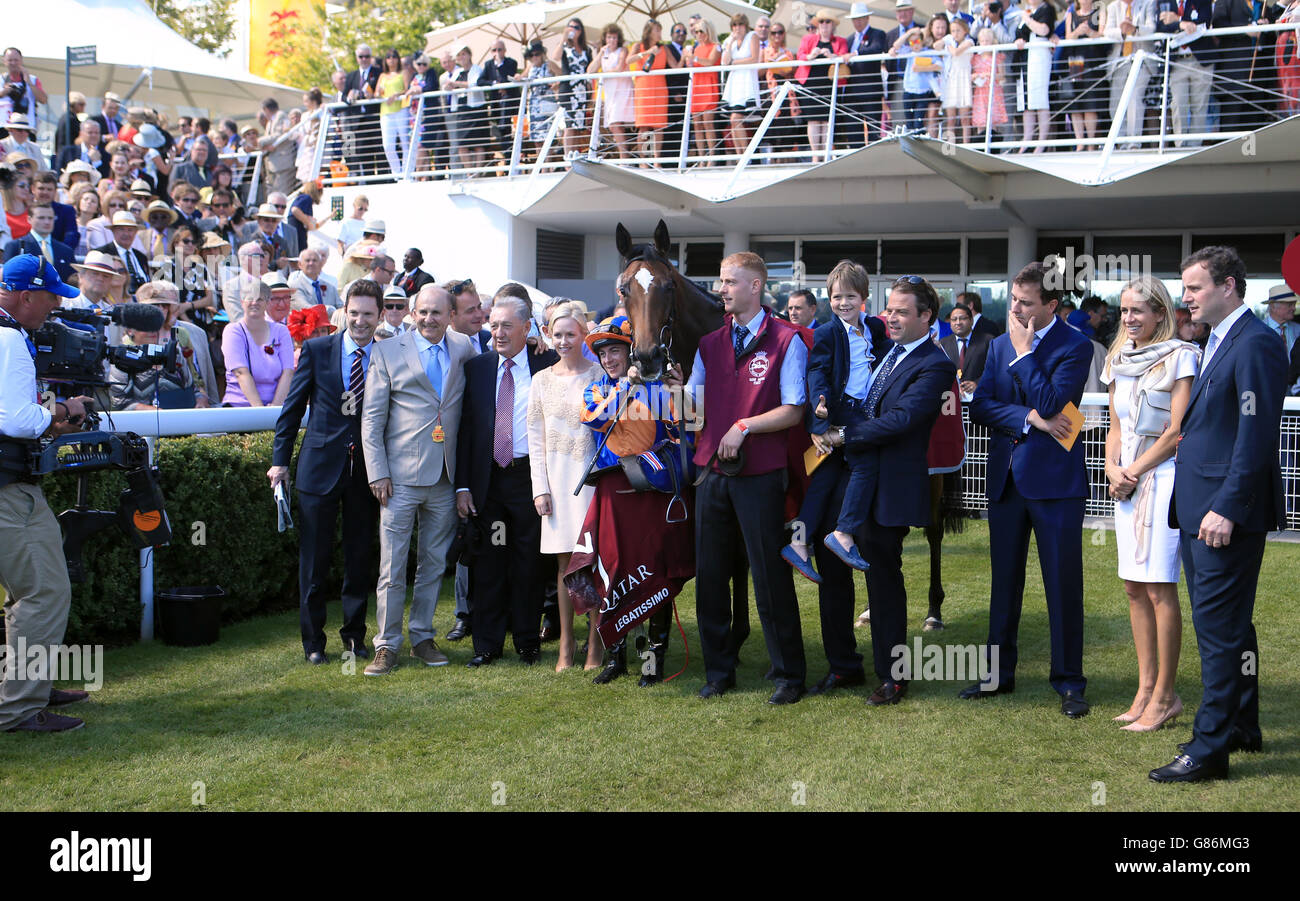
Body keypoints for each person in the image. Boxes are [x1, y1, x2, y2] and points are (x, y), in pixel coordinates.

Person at [1149, 247, 1287, 783]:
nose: (1185, 298)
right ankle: (1241, 725)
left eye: (1194, 288)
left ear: (1229, 287)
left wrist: (1226, 508)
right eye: (1184, 288)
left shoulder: (1254, 343)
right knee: (1233, 627)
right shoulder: (1220, 340)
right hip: (1203, 508)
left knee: (1219, 632)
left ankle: (1208, 749)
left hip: (1221, 513)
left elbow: (1256, 437)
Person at [816, 275, 956, 705]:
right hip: (854, 475)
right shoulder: (886, 349)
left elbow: (903, 419)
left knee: (883, 580)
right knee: (832, 573)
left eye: (900, 311)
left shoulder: (936, 363)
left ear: (925, 316)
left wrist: (844, 436)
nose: (890, 317)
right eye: (889, 309)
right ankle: (843, 666)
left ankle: (893, 677)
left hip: (892, 486)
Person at [964, 261, 1094, 717]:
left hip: (1056, 482)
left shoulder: (1076, 346)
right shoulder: (998, 345)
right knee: (1004, 582)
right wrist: (1027, 420)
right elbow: (980, 405)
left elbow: (1053, 402)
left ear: (1051, 305)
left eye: (1025, 302)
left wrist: (1024, 357)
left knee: (1062, 583)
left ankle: (1069, 682)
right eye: (1013, 299)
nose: (1015, 309)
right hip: (1006, 479)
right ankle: (998, 676)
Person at [681, 251, 809, 704]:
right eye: (720, 281)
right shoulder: (709, 344)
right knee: (711, 574)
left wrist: (744, 425)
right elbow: (689, 409)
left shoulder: (787, 340)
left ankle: (789, 674)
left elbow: (793, 410)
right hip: (711, 473)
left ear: (756, 286)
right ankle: (719, 671)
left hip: (761, 475)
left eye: (731, 282)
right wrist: (663, 387)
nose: (722, 289)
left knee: (769, 576)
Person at [571, 316, 695, 685]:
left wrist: (679, 391)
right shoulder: (595, 390)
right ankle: (616, 658)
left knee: (654, 569)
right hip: (612, 491)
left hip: (651, 491)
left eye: (615, 351)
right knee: (612, 570)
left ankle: (652, 660)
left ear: (631, 353)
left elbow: (693, 423)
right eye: (603, 353)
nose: (609, 359)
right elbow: (594, 416)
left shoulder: (658, 391)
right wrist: (626, 387)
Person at [360, 284, 475, 674]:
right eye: (422, 312)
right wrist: (377, 471)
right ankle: (387, 645)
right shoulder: (387, 351)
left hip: (445, 478)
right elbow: (372, 419)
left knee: (432, 563)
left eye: (437, 313)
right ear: (412, 311)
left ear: (450, 316)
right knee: (392, 566)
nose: (429, 319)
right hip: (399, 480)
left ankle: (422, 637)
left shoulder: (463, 349)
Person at [1101, 276, 1199, 733]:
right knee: (1132, 587)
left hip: (1162, 479)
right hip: (1125, 482)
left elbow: (1176, 431)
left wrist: (1133, 471)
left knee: (1159, 587)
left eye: (1138, 310)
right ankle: (1143, 690)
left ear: (1160, 313)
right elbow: (1115, 425)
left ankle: (1165, 696)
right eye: (1124, 311)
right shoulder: (1118, 359)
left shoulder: (1181, 356)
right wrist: (1110, 467)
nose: (1129, 318)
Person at [0, 255, 92, 733]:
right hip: (7, 490)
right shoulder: (10, 336)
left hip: (14, 487)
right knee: (42, 591)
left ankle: (31, 684)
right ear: (26, 295)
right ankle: (18, 708)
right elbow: (17, 419)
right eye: (51, 295)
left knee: (34, 591)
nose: (56, 305)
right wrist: (61, 411)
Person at [271, 276, 380, 666]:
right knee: (313, 562)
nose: (360, 321)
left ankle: (354, 638)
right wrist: (279, 461)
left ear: (379, 315)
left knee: (358, 559)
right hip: (318, 469)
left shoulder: (386, 355)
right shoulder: (317, 350)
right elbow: (292, 408)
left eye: (368, 314)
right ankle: (312, 642)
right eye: (354, 313)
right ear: (344, 312)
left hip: (367, 473)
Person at [455, 295, 559, 667]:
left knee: (528, 564)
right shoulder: (478, 368)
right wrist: (463, 486)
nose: (497, 333)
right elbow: (466, 431)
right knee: (490, 563)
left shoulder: (548, 363)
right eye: (493, 325)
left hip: (528, 481)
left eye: (506, 326)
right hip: (489, 485)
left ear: (527, 329)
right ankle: (486, 645)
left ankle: (528, 642)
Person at [783, 260, 885, 582]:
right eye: (837, 297)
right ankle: (843, 533)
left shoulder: (876, 328)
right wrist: (819, 406)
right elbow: (817, 371)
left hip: (865, 409)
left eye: (850, 297)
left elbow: (886, 358)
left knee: (824, 477)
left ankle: (798, 543)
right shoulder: (827, 332)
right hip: (841, 411)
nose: (843, 303)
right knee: (866, 463)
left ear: (864, 297)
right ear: (829, 299)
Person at [527, 302, 603, 672]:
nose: (562, 341)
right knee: (564, 566)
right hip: (556, 483)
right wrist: (539, 489)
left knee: (595, 563)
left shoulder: (601, 375)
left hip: (592, 481)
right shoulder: (540, 380)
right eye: (556, 334)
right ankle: (565, 646)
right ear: (548, 335)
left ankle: (596, 646)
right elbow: (534, 438)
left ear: (583, 335)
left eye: (570, 334)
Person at [221, 281, 294, 406]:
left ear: (267, 303)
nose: (254, 303)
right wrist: (261, 412)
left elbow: (288, 372)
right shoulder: (233, 330)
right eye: (250, 298)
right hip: (240, 406)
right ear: (242, 302)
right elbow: (240, 373)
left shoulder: (281, 331)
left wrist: (276, 408)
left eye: (260, 299)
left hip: (277, 406)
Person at [798, 10, 851, 156]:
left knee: (827, 121)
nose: (824, 25)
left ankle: (826, 153)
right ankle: (816, 155)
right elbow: (800, 55)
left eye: (828, 21)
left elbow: (844, 56)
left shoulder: (840, 41)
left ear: (833, 25)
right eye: (821, 21)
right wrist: (811, 56)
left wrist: (832, 56)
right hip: (812, 84)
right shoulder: (808, 39)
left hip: (830, 85)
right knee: (813, 121)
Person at [629, 20, 677, 161]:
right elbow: (628, 60)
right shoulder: (639, 46)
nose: (659, 34)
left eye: (660, 31)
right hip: (644, 88)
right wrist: (647, 53)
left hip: (660, 87)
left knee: (659, 126)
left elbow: (675, 66)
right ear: (649, 32)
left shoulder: (664, 48)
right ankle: (643, 159)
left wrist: (687, 57)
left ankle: (656, 159)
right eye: (657, 30)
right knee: (643, 126)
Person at [844, 5, 890, 147]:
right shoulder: (849, 39)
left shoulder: (878, 34)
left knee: (873, 130)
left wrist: (856, 54)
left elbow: (876, 48)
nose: (857, 22)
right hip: (852, 92)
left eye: (860, 19)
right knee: (853, 131)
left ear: (867, 18)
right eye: (854, 19)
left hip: (870, 91)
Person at [1015, 0, 1056, 151]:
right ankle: (1027, 138)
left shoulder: (1046, 9)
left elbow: (1044, 30)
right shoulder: (1026, 11)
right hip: (1024, 59)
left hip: (1038, 57)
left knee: (1040, 99)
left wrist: (1027, 20)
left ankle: (1041, 141)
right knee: (1027, 103)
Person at [721, 14, 764, 153]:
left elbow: (754, 58)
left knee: (736, 118)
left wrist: (735, 63)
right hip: (734, 84)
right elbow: (725, 62)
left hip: (746, 81)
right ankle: (740, 155)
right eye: (734, 25)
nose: (737, 28)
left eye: (740, 25)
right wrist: (731, 42)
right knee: (733, 120)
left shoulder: (753, 36)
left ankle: (745, 154)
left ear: (745, 25)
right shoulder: (730, 40)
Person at [590, 24, 633, 159]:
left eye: (614, 37)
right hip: (610, 93)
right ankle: (624, 156)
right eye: (609, 37)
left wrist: (604, 73)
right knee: (614, 125)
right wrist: (600, 54)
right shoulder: (604, 53)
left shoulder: (623, 50)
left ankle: (624, 158)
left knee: (615, 123)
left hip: (622, 90)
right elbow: (590, 70)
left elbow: (620, 67)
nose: (612, 40)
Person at [557, 19, 595, 159]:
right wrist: (563, 38)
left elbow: (589, 70)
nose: (573, 29)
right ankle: (567, 157)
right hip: (568, 91)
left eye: (576, 27)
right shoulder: (565, 47)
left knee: (578, 127)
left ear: (581, 31)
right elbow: (555, 57)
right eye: (570, 27)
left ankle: (575, 156)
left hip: (581, 91)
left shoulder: (587, 50)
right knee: (569, 126)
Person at [3, 204, 74, 279]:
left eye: (50, 218)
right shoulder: (15, 246)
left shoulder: (66, 251)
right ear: (29, 219)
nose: (47, 222)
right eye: (41, 218)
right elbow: (8, 277)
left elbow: (72, 279)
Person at [688, 20, 723, 160]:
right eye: (696, 31)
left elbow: (710, 61)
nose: (698, 34)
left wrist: (694, 58)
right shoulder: (695, 48)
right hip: (697, 85)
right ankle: (701, 157)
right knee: (697, 124)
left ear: (708, 31)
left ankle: (712, 157)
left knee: (708, 122)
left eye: (701, 31)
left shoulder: (716, 46)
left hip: (709, 85)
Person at [939, 302, 990, 396]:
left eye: (962, 318)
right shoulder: (943, 344)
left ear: (971, 321)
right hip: (952, 400)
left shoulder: (987, 341)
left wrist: (977, 383)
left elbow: (994, 369)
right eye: (954, 319)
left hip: (980, 397)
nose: (958, 322)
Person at [93, 210, 150, 294]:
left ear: (135, 232)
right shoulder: (102, 253)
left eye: (130, 230)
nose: (126, 234)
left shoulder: (141, 257)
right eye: (121, 229)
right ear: (113, 231)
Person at [941, 16, 976, 143]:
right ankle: (949, 148)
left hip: (963, 79)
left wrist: (948, 44)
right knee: (950, 119)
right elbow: (936, 44)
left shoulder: (969, 42)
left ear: (965, 30)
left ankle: (967, 146)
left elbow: (956, 52)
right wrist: (945, 39)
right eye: (953, 31)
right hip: (952, 79)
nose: (955, 34)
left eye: (958, 30)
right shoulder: (950, 41)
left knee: (964, 118)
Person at [376, 49, 410, 177]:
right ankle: (397, 173)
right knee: (388, 145)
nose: (391, 59)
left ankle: (406, 172)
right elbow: (376, 93)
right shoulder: (382, 76)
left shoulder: (403, 72)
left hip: (401, 109)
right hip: (385, 111)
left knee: (404, 142)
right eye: (388, 57)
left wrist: (396, 94)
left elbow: (407, 89)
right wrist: (378, 92)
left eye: (394, 56)